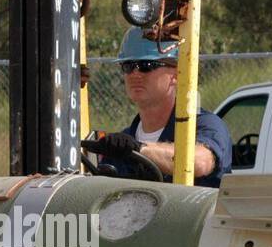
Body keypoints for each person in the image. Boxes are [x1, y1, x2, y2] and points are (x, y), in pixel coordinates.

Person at [88, 27, 233, 188]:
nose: (135, 74)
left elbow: (200, 162)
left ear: (178, 73)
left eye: (147, 65)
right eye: (128, 66)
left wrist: (139, 149)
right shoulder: (121, 143)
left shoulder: (206, 126)